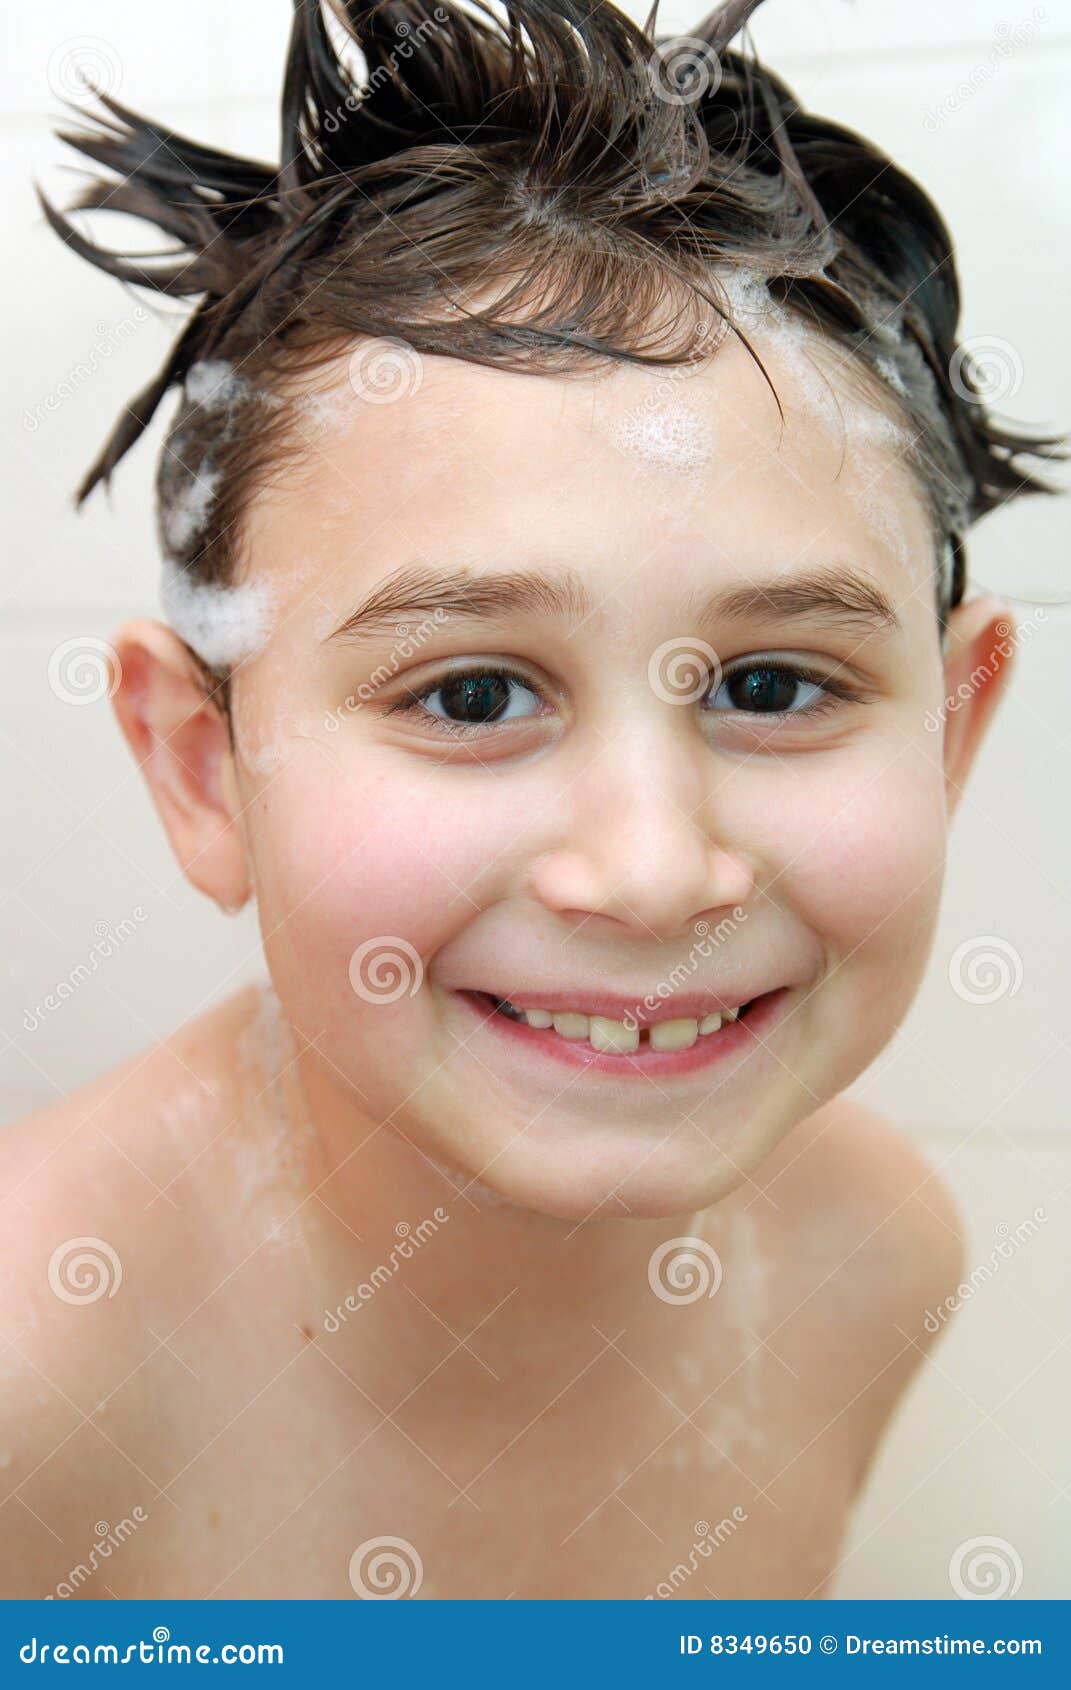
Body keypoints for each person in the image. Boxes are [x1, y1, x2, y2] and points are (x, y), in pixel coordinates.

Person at [2, 0, 1064, 1599]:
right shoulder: (39, 1379)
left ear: (951, 730)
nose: (651, 873)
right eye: (473, 693)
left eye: (776, 685)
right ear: (204, 769)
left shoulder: (880, 1260)